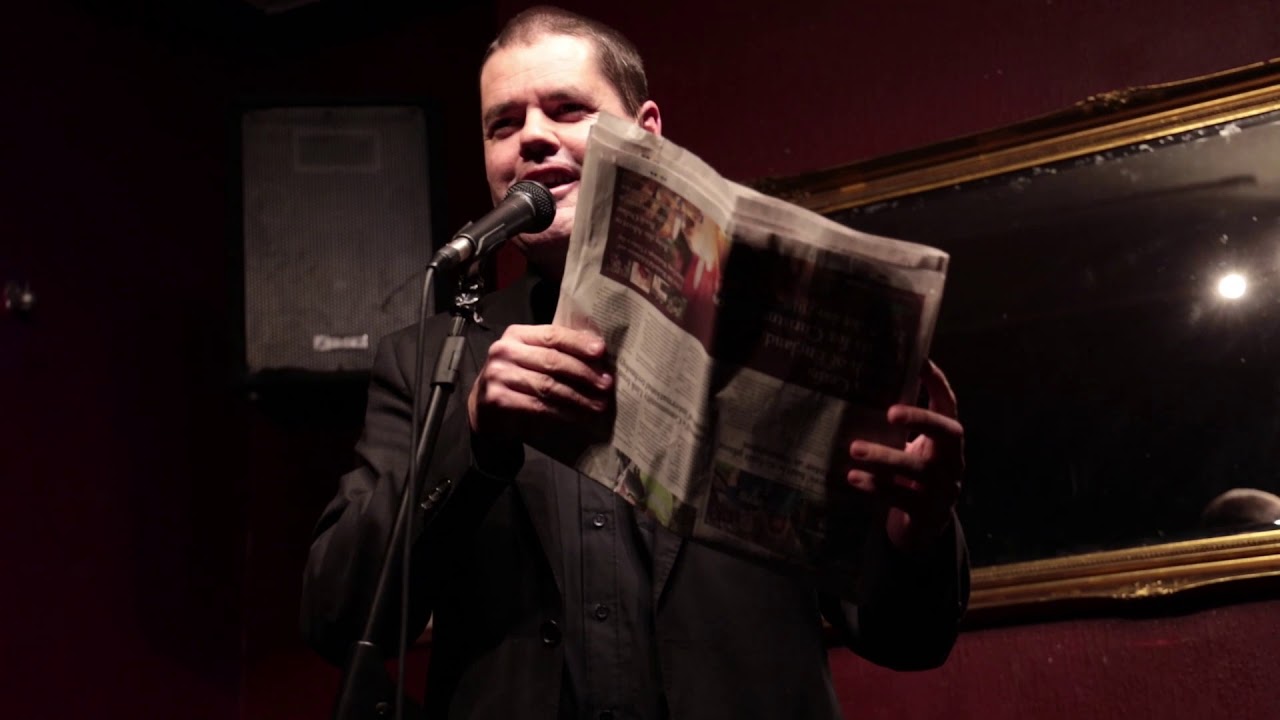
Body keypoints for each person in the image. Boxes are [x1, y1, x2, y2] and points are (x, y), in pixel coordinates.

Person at [301, 7, 969, 719]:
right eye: (503, 124)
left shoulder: (768, 331)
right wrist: (470, 439)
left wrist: (916, 532)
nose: (531, 137)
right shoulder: (429, 359)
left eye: (567, 109)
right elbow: (336, 615)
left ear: (646, 133)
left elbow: (910, 640)